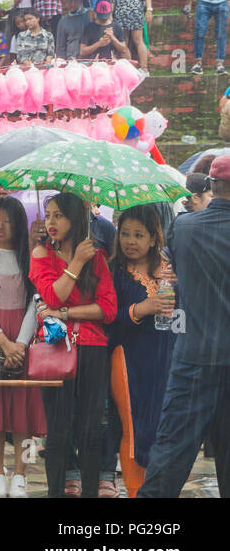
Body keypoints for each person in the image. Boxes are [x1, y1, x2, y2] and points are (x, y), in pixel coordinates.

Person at [139, 155, 230, 497]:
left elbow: (173, 273)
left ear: (212, 186)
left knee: (171, 452)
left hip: (195, 355)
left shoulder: (185, 227)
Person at [31, 192, 117, 497]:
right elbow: (52, 295)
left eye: (59, 215)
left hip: (93, 349)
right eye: (49, 215)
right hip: (55, 349)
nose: (51, 222)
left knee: (90, 429)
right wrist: (77, 262)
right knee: (58, 431)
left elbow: (108, 309)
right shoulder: (41, 255)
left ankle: (91, 491)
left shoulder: (99, 257)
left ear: (75, 219)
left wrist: (65, 312)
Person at [106, 205, 176, 498]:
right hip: (129, 359)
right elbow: (107, 318)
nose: (130, 241)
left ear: (154, 237)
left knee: (167, 430)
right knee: (134, 430)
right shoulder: (115, 272)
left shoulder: (170, 268)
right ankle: (137, 493)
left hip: (169, 359)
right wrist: (141, 309)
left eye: (138, 234)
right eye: (125, 234)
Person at [0, 196, 45, 497]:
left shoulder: (32, 258)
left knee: (26, 412)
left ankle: (22, 474)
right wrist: (3, 342)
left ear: (19, 223)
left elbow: (36, 303)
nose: (0, 226)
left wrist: (19, 343)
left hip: (25, 337)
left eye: (7, 220)